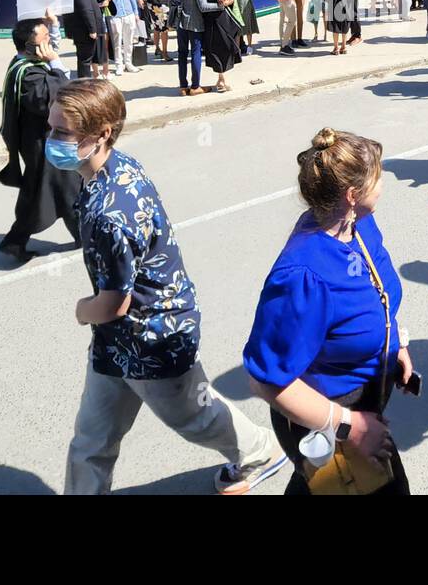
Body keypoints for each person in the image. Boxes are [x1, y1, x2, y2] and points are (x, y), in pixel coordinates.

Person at [56, 80, 286, 495]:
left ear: (102, 133)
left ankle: (260, 451)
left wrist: (80, 310)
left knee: (194, 418)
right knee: (91, 439)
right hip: (118, 341)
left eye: (62, 132)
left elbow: (112, 304)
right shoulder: (116, 166)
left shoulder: (111, 213)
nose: (51, 140)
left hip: (153, 338)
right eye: (52, 128)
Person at [244, 128, 413, 495]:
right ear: (353, 195)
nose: (383, 184)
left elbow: (376, 293)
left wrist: (395, 343)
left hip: (363, 402)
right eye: (378, 178)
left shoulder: (359, 226)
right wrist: (349, 427)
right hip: (327, 414)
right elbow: (267, 379)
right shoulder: (303, 276)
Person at [0, 15, 79, 263]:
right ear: (31, 46)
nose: (49, 44)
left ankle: (16, 241)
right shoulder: (29, 76)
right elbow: (59, 98)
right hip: (41, 144)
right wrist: (56, 63)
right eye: (44, 39)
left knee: (51, 189)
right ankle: (85, 235)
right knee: (64, 189)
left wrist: (53, 26)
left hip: (41, 141)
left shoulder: (25, 63)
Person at [169, 0, 220, 97]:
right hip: (195, 22)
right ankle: (195, 86)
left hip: (179, 22)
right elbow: (203, 6)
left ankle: (183, 86)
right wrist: (220, 5)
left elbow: (170, 2)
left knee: (182, 54)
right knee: (196, 53)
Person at [200, 0, 241, 93]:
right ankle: (222, 80)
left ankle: (221, 79)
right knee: (225, 50)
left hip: (209, 24)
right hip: (224, 23)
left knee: (214, 51)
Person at [65, 0, 107, 79]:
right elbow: (85, 8)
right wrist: (92, 29)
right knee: (85, 60)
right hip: (84, 30)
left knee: (84, 59)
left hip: (78, 28)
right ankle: (85, 85)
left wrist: (69, 31)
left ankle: (84, 82)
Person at [104, 0, 141, 75]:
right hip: (115, 15)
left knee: (129, 39)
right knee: (117, 41)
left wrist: (136, 12)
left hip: (128, 13)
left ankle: (128, 63)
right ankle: (119, 65)